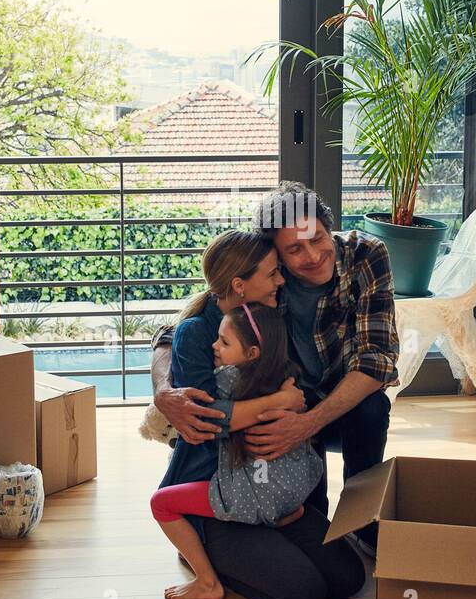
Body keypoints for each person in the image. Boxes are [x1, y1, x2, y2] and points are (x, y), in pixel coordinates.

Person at [153, 181, 398, 555]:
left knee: (373, 407)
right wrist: (163, 391)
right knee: (310, 530)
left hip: (338, 404)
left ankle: (363, 523)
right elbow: (180, 330)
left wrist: (309, 422)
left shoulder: (367, 256)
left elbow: (377, 358)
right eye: (295, 249)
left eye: (318, 238)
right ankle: (299, 521)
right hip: (283, 406)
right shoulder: (264, 280)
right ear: (276, 257)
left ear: (328, 226)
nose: (314, 255)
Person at [151, 227, 365, 599]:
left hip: (270, 489)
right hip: (217, 495)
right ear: (239, 284)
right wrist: (280, 400)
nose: (281, 279)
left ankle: (269, 533)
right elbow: (209, 419)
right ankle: (206, 562)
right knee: (305, 595)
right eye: (272, 273)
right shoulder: (200, 333)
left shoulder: (266, 315)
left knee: (349, 579)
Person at [150, 303, 324, 599]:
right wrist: (282, 399)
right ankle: (278, 519)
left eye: (224, 342)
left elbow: (206, 413)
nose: (214, 347)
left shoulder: (224, 381)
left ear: (252, 353)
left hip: (251, 494)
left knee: (161, 503)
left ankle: (206, 582)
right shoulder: (287, 376)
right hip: (296, 490)